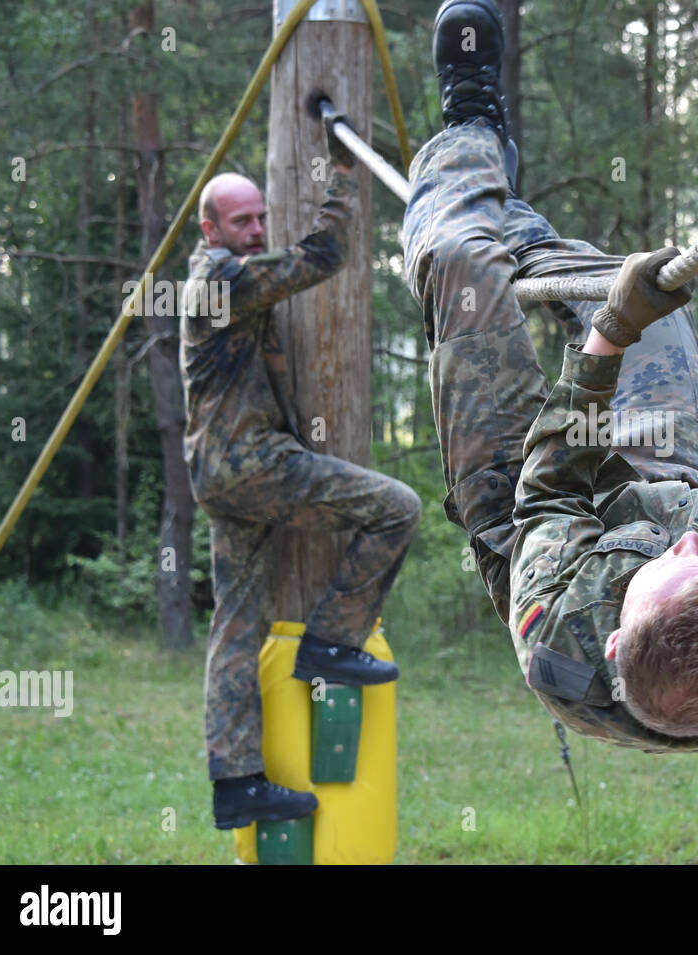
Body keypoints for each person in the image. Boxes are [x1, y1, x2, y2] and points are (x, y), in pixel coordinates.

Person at [403, 0, 698, 751]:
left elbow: (550, 485)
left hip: (523, 510)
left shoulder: (562, 624)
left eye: (664, 561)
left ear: (614, 641)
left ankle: (469, 135)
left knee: (460, 262)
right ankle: (510, 210)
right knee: (633, 282)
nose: (679, 543)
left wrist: (611, 335)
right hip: (664, 463)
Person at [180, 102, 421, 828]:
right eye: (242, 222)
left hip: (221, 474)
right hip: (251, 465)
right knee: (397, 508)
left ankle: (236, 783)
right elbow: (324, 256)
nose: (256, 231)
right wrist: (343, 174)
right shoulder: (221, 280)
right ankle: (332, 640)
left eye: (260, 218)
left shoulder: (224, 276)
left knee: (236, 625)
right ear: (210, 229)